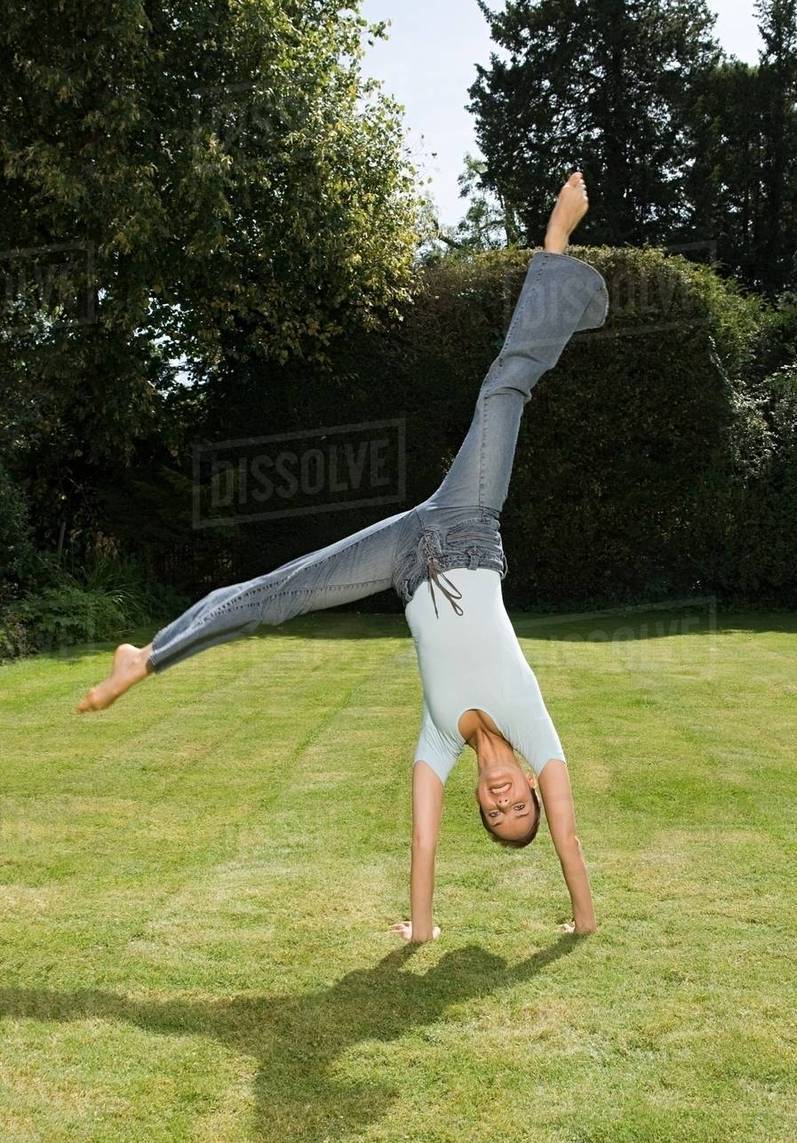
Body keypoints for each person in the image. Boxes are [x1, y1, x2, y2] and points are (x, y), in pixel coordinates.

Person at [78, 172, 607, 942]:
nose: (501, 798)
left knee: (276, 594)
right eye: (516, 804)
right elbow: (569, 837)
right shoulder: (537, 730)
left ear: (478, 801)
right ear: (530, 783)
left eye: (493, 812)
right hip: (465, 525)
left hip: (402, 559)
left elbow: (422, 844)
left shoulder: (436, 738)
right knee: (502, 390)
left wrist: (423, 930)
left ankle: (146, 658)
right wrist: (582, 919)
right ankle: (554, 244)